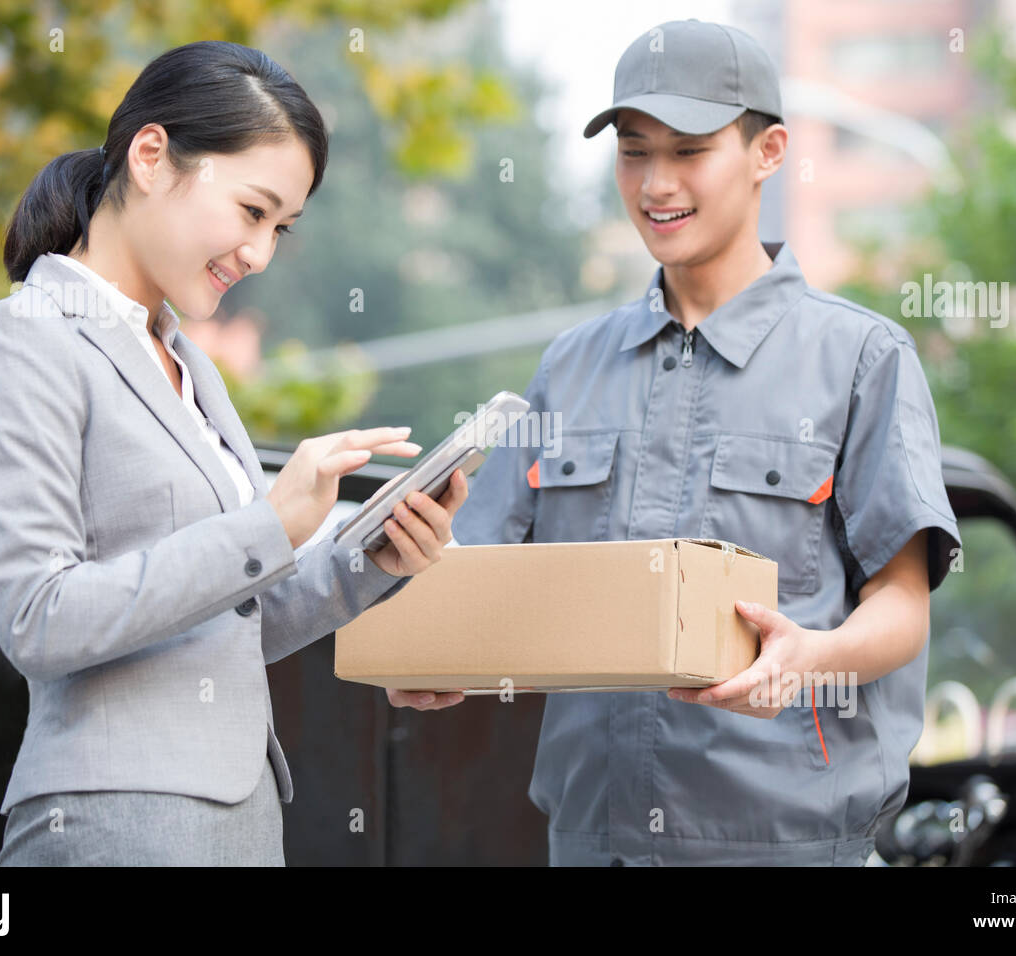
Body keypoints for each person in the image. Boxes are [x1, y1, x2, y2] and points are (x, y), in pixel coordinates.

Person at [389, 19, 962, 866]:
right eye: (633, 151)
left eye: (689, 150)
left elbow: (903, 607)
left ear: (769, 152)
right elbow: (484, 577)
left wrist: (813, 657)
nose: (656, 184)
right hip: (594, 844)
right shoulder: (572, 367)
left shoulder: (861, 360)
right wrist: (440, 654)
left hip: (787, 848)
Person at [0, 40, 467, 866]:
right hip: (114, 822)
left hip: (237, 820)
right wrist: (268, 525)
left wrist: (371, 554)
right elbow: (37, 617)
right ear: (151, 156)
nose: (260, 253)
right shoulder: (20, 340)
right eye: (253, 212)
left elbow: (227, 622)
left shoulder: (187, 363)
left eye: (281, 229)